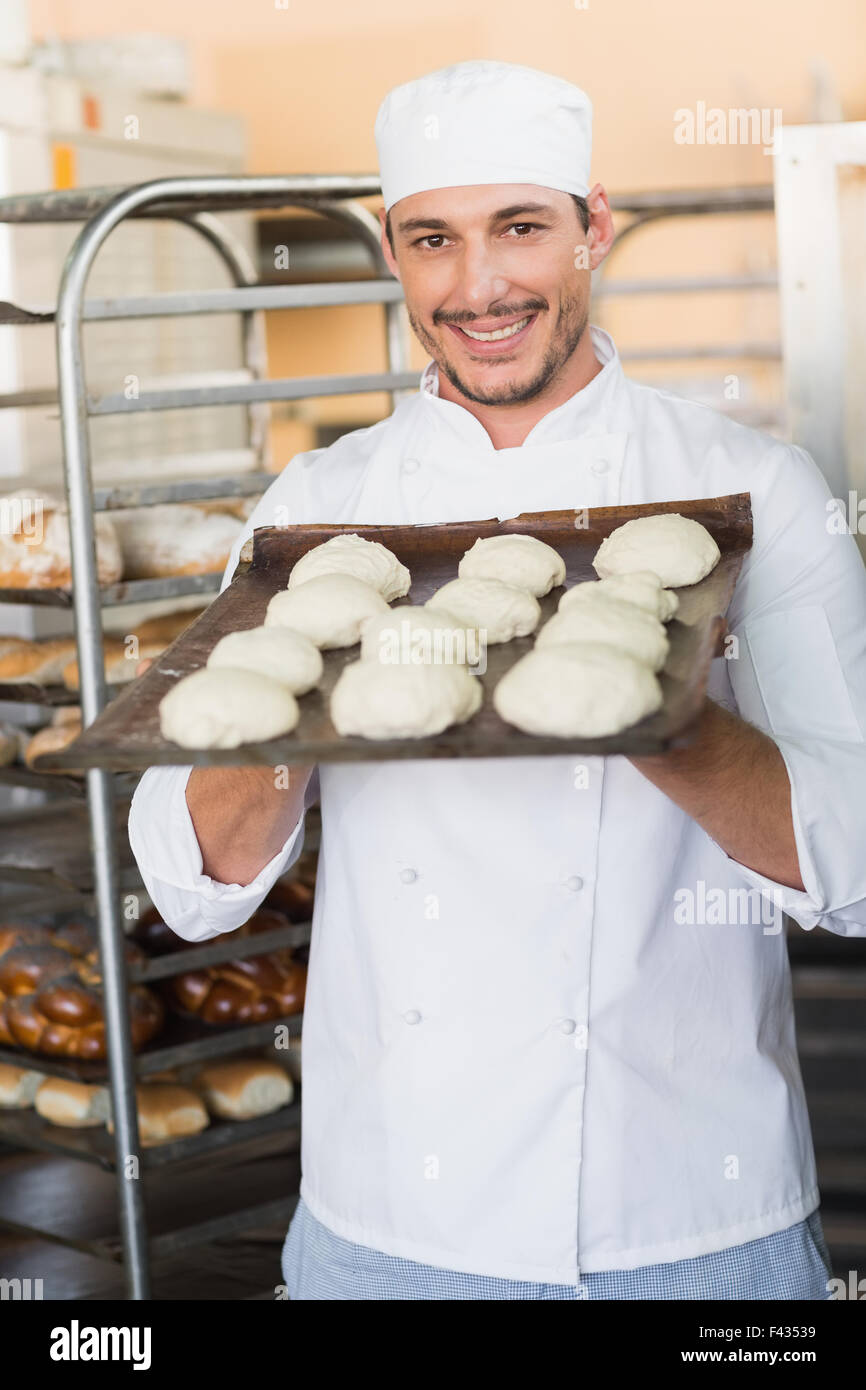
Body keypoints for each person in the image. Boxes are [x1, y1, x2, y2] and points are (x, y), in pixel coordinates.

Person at [128, 60, 866, 1300]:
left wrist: (657, 707)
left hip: (692, 1216)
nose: (478, 286)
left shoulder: (757, 488)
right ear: (392, 252)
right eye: (433, 240)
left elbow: (855, 871)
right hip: (388, 1226)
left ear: (593, 229)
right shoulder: (323, 512)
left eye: (520, 229)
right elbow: (186, 887)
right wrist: (298, 700)